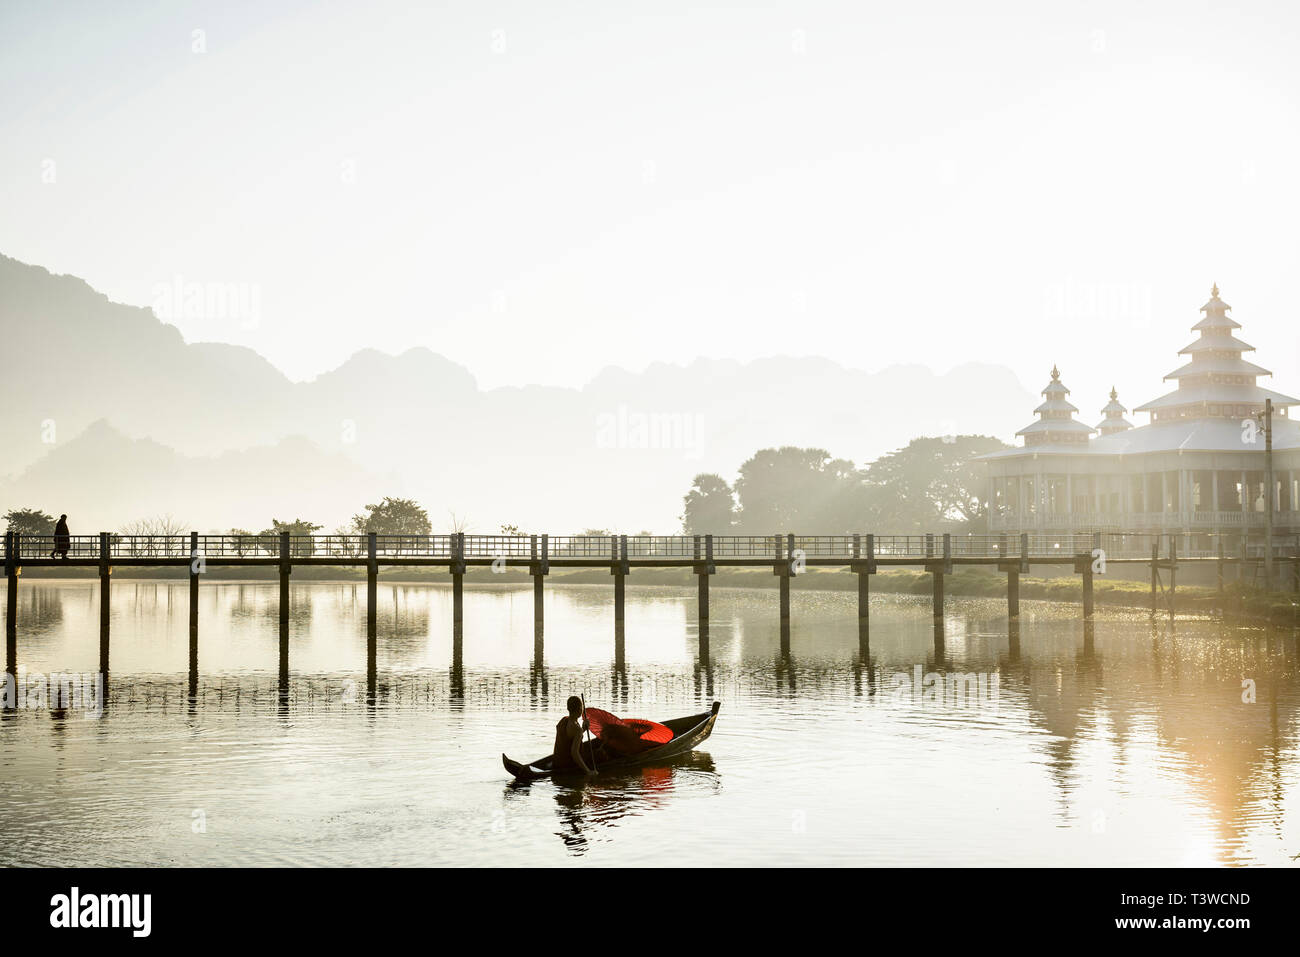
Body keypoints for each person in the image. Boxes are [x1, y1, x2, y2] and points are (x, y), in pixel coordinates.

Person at [550, 696, 595, 775]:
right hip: (567, 764)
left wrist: (583, 729)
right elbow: (574, 753)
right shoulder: (577, 729)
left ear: (568, 708)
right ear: (580, 709)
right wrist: (588, 771)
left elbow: (570, 737)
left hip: (556, 761)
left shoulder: (563, 720)